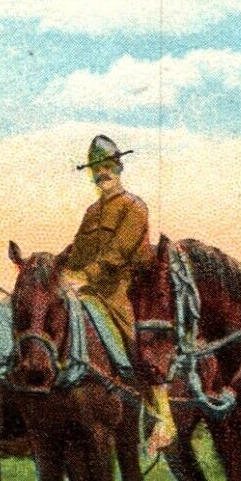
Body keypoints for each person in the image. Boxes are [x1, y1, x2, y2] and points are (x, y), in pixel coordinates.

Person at [63, 135, 173, 453]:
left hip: (124, 288)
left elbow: (119, 253)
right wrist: (59, 271)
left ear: (119, 167)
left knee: (137, 343)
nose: (102, 173)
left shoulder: (134, 206)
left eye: (108, 166)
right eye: (96, 168)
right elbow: (76, 251)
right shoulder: (91, 212)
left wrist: (84, 277)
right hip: (88, 288)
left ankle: (162, 415)